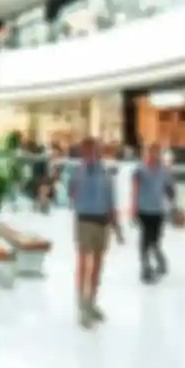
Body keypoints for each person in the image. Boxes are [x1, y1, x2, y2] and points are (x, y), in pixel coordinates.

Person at [70, 138, 124, 329]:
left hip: (102, 222)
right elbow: (72, 195)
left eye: (96, 150)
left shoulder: (105, 174)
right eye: (89, 150)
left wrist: (117, 227)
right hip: (85, 220)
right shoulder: (77, 173)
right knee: (84, 262)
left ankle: (91, 300)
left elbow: (111, 201)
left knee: (98, 264)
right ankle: (82, 305)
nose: (93, 153)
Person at [132, 144, 179, 283]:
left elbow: (170, 189)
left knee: (155, 240)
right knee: (145, 238)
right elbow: (135, 189)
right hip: (143, 209)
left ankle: (160, 261)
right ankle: (146, 266)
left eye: (156, 153)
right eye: (151, 152)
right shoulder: (140, 170)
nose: (153, 156)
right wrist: (133, 207)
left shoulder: (164, 171)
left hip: (157, 210)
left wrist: (174, 206)